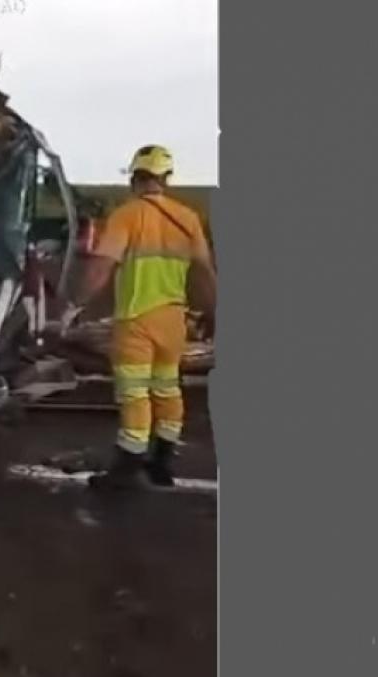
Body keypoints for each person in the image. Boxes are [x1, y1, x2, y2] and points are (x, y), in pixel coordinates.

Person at [60, 145, 218, 489]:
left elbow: (102, 267)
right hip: (174, 320)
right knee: (167, 389)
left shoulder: (127, 216)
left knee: (134, 393)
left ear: (135, 178)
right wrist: (214, 313)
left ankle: (127, 467)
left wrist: (73, 306)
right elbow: (205, 273)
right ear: (166, 179)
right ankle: (161, 462)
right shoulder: (189, 219)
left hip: (136, 319)